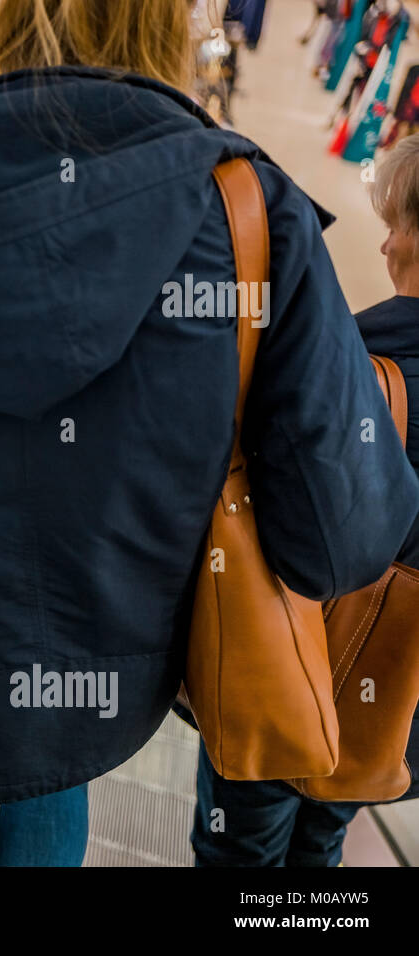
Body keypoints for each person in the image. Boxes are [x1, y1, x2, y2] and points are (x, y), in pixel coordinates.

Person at [0, 0, 419, 867]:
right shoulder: (248, 211)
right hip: (106, 668)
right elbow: (344, 540)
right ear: (166, 28)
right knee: (55, 798)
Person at [190, 135, 419, 867]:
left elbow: (300, 538)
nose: (385, 243)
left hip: (293, 683)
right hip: (397, 712)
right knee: (323, 842)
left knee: (240, 853)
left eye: (397, 224)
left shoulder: (363, 372)